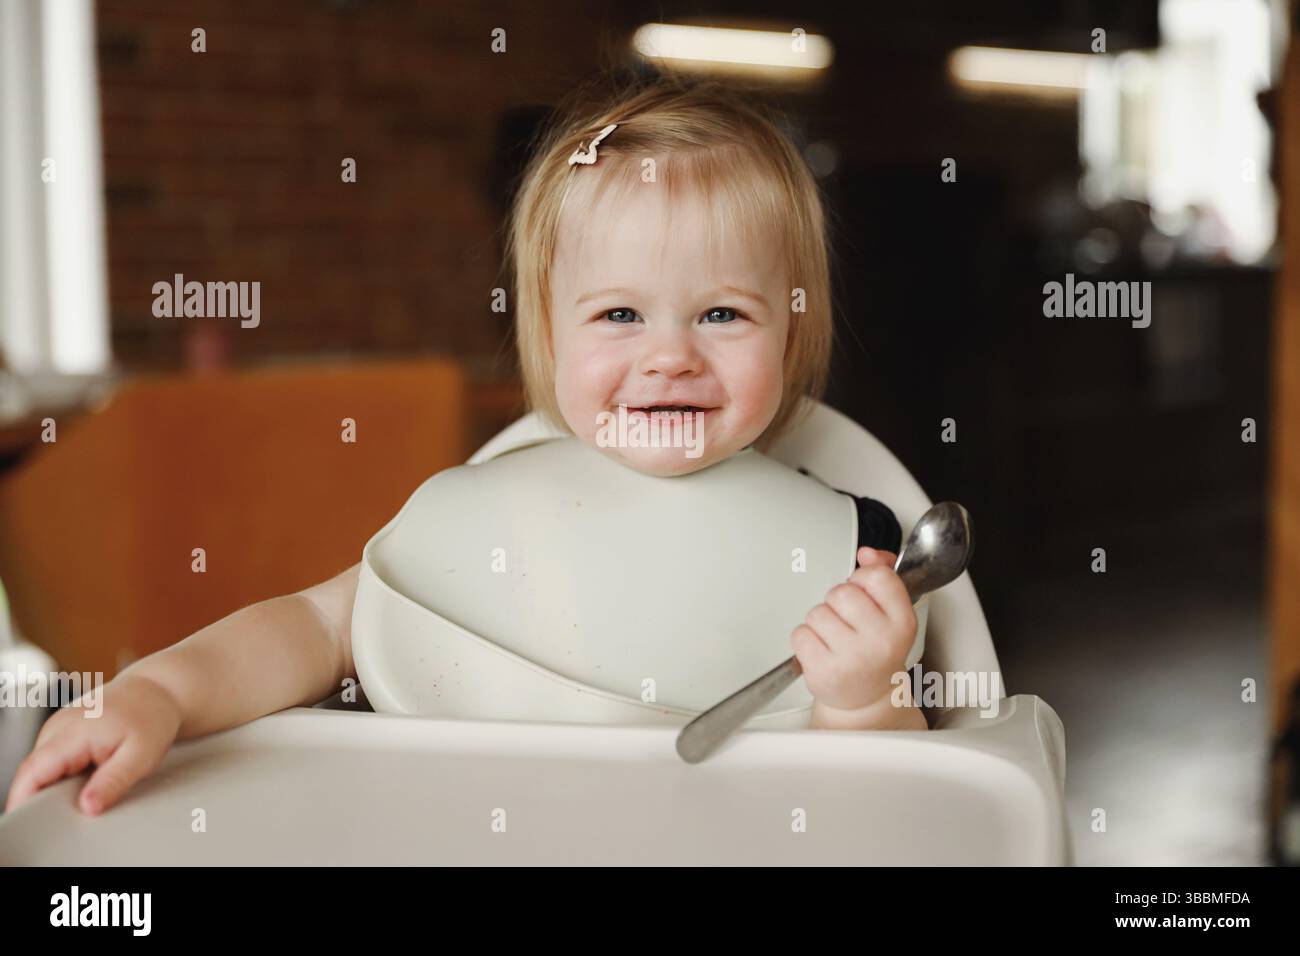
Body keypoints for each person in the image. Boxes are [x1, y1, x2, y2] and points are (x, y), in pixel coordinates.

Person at [6, 71, 924, 819]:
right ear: (550, 336)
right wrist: (158, 694)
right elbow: (318, 628)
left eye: (722, 313)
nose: (670, 357)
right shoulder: (482, 520)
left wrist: (865, 702)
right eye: (619, 314)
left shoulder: (850, 555)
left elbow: (906, 821)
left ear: (793, 335)